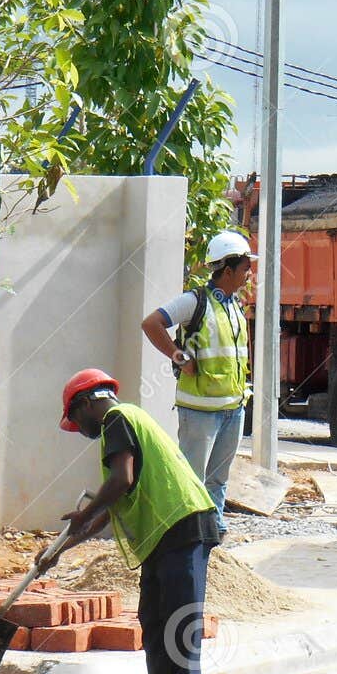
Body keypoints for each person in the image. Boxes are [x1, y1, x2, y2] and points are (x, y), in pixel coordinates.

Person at [47, 369, 219, 674]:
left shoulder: (116, 420)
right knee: (155, 619)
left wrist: (85, 512)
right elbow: (109, 509)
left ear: (87, 402)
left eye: (76, 420)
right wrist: (58, 551)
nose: (80, 429)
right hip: (165, 534)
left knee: (177, 620)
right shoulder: (126, 423)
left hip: (183, 524)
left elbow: (121, 481)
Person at [140, 229, 256, 535]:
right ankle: (188, 531)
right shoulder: (195, 301)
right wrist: (178, 357)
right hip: (200, 410)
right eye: (246, 267)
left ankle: (212, 530)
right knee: (192, 476)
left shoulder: (233, 305)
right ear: (227, 270)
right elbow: (151, 323)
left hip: (232, 407)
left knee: (218, 479)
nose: (249, 273)